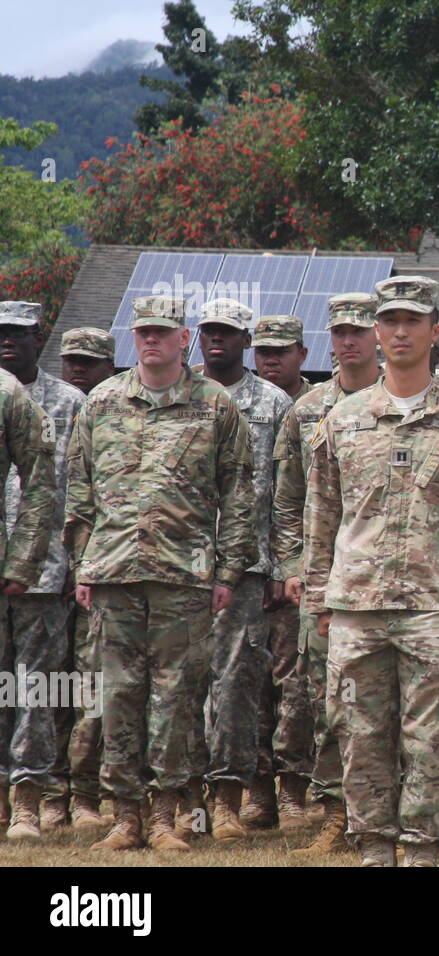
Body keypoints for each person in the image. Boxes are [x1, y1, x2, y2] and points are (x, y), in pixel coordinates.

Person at [303, 275, 439, 867]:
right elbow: (322, 515)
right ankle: (372, 847)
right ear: (376, 332)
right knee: (359, 734)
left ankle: (422, 851)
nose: (399, 332)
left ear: (434, 332)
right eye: (389, 321)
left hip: (437, 607)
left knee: (434, 739)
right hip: (356, 605)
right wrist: (318, 597)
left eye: (412, 322)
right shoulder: (342, 419)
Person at [64, 293, 254, 852]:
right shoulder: (100, 403)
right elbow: (79, 494)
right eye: (143, 331)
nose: (151, 340)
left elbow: (239, 493)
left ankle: (167, 814)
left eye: (162, 332)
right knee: (119, 696)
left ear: (183, 340)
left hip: (185, 575)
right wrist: (84, 563)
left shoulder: (215, 405)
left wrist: (228, 570)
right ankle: (125, 816)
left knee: (177, 697)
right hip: (115, 573)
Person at [273, 291, 382, 854]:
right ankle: (339, 814)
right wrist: (294, 565)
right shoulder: (308, 410)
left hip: (395, 581)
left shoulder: (409, 403)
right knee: (330, 701)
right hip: (328, 580)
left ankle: (403, 812)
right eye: (339, 331)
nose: (348, 341)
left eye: (359, 331)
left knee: (402, 703)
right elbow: (287, 500)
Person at [188, 299, 292, 841]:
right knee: (179, 686)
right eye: (209, 332)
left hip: (247, 567)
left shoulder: (272, 402)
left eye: (228, 333)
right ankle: (183, 802)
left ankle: (228, 799)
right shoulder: (181, 397)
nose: (217, 341)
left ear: (246, 340)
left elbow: (283, 494)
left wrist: (279, 564)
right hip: (179, 563)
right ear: (197, 337)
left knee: (236, 686)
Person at [243, 313, 316, 830]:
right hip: (244, 571)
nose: (271, 358)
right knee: (245, 685)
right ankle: (254, 791)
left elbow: (304, 501)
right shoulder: (229, 404)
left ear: (302, 356)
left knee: (295, 688)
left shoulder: (316, 410)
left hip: (294, 574)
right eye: (263, 350)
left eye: (282, 350)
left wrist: (287, 567)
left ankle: (293, 790)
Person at [0, 302, 61, 839]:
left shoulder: (68, 401)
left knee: (36, 688)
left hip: (40, 572)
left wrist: (28, 559)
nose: (7, 342)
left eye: (17, 334)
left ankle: (28, 799)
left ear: (38, 337)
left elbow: (58, 486)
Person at [57, 328, 116, 830]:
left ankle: (101, 797)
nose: (79, 369)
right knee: (71, 690)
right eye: (72, 361)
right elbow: (80, 504)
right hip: (70, 574)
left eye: (90, 362)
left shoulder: (108, 409)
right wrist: (82, 568)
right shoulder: (78, 411)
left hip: (115, 577)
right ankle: (75, 795)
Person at [253, 315, 312, 402]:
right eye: (263, 352)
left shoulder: (324, 403)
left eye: (280, 352)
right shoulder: (235, 403)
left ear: (302, 355)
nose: (271, 361)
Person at [60, 328, 117, 395]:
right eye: (71, 360)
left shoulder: (125, 403)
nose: (78, 369)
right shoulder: (48, 401)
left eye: (88, 361)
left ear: (110, 369)